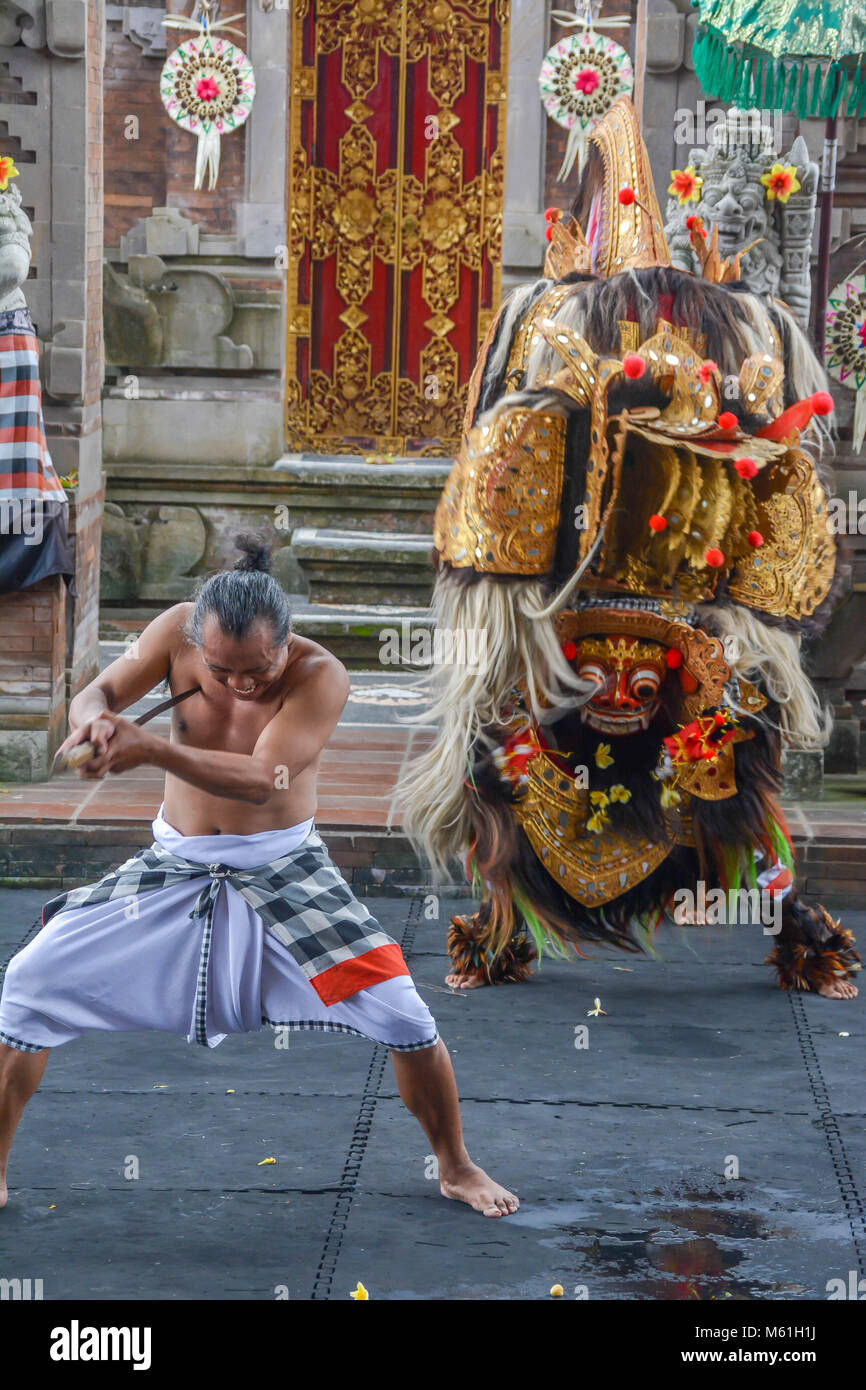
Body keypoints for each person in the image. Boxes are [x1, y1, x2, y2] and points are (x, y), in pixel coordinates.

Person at [0, 536, 518, 1218]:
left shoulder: (322, 676)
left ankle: (456, 1165)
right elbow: (96, 689)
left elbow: (261, 780)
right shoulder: (172, 633)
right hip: (173, 862)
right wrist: (92, 720)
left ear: (288, 642)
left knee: (406, 1016)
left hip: (285, 868)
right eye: (222, 671)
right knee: (27, 984)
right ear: (195, 642)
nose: (243, 684)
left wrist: (149, 746)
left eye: (259, 670)